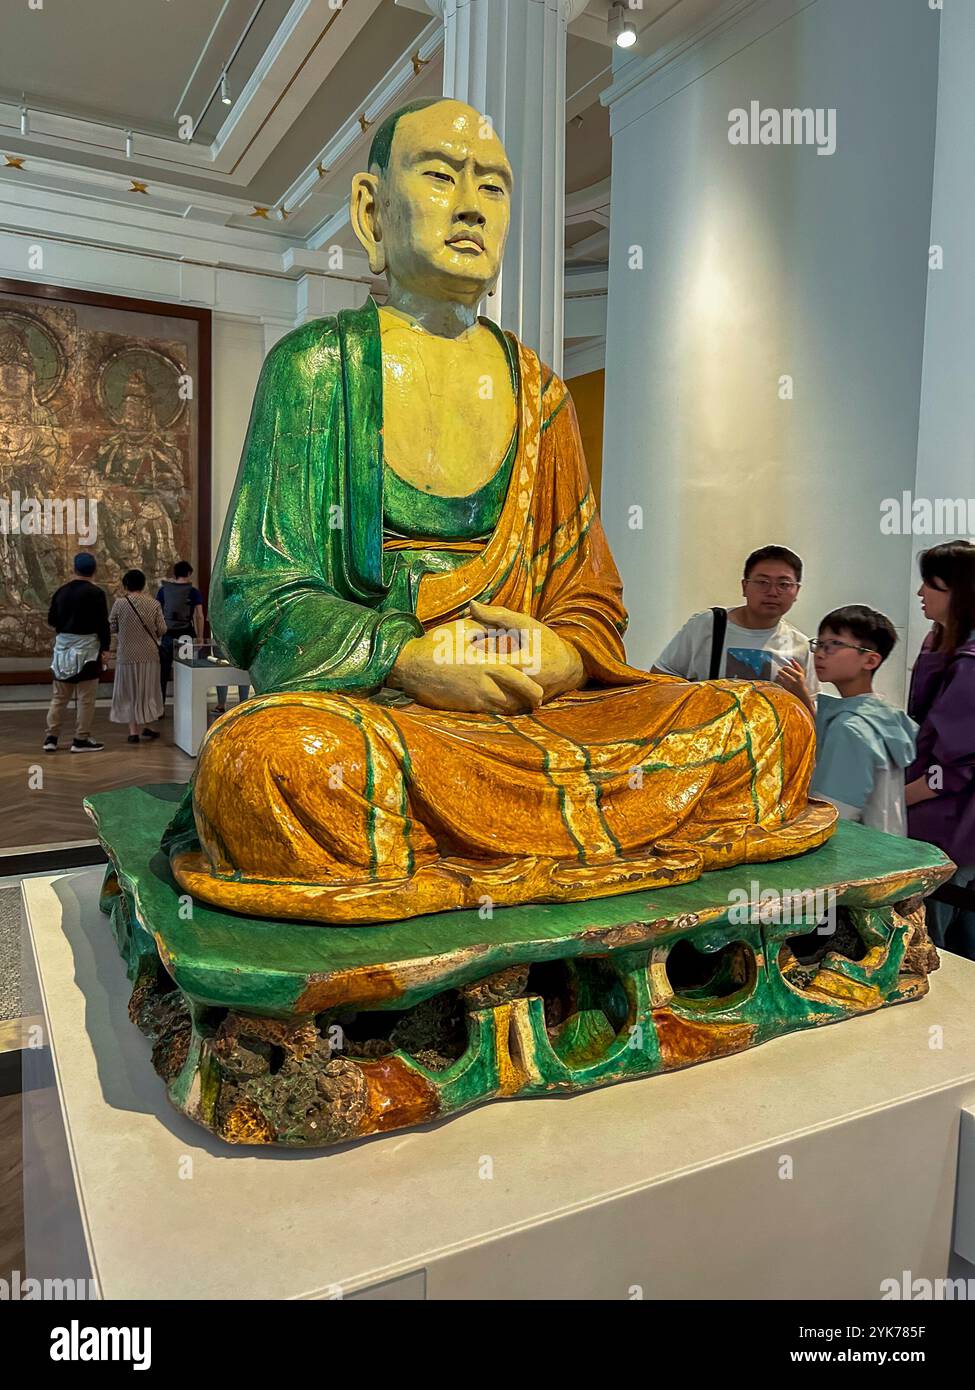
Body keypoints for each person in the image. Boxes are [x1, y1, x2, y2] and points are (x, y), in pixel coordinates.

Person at [161, 97, 834, 926]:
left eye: (495, 188)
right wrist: (406, 659)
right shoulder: (318, 366)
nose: (471, 205)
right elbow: (255, 598)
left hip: (530, 705)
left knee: (767, 720)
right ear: (373, 210)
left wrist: (558, 651)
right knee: (274, 765)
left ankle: (468, 862)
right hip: (385, 709)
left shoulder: (540, 392)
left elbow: (588, 598)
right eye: (440, 176)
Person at [782, 605, 916, 834]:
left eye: (835, 644)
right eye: (820, 644)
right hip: (888, 850)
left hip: (856, 859)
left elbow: (832, 816)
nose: (821, 653)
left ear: (870, 661)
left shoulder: (850, 728)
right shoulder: (882, 716)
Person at [903, 541, 975, 957]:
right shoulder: (944, 648)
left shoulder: (969, 665)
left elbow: (952, 769)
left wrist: (897, 800)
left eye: (930, 585)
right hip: (940, 828)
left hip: (950, 832)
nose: (920, 594)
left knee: (936, 944)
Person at [651, 545, 819, 695]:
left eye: (783, 584)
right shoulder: (708, 625)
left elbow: (813, 716)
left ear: (796, 591)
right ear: (744, 586)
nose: (772, 592)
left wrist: (800, 694)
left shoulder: (800, 646)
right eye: (762, 582)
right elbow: (659, 679)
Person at [44, 552, 109, 753]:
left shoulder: (61, 592)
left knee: (59, 697)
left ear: (74, 569)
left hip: (63, 649)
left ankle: (51, 738)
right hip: (88, 650)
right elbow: (102, 624)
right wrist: (105, 649)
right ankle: (80, 739)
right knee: (85, 698)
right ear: (94, 570)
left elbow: (52, 620)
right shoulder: (96, 593)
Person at [109, 569, 167, 744]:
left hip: (126, 654)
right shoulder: (154, 604)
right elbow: (162, 629)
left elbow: (111, 627)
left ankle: (133, 732)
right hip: (149, 654)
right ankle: (148, 727)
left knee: (129, 693)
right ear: (143, 585)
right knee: (148, 691)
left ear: (125, 585)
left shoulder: (119, 604)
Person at [157, 560, 204, 704]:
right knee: (186, 670)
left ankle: (161, 706)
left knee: (163, 671)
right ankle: (186, 703)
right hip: (185, 634)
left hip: (167, 634)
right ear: (189, 573)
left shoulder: (163, 590)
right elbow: (199, 615)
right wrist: (200, 637)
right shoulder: (193, 592)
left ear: (174, 574)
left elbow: (157, 612)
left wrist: (158, 634)